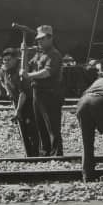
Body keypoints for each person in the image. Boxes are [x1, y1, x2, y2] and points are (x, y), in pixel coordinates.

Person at [24, 25, 64, 156]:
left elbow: (47, 72)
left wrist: (29, 76)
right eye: (38, 39)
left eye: (42, 39)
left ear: (50, 38)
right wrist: (23, 52)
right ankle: (46, 152)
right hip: (38, 93)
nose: (39, 42)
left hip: (50, 93)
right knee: (40, 124)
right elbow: (28, 65)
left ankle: (56, 154)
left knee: (52, 126)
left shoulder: (54, 55)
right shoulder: (39, 54)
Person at [1, 47, 39, 156]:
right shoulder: (3, 69)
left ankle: (35, 154)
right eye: (4, 60)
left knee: (30, 127)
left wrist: (18, 110)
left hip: (28, 101)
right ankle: (28, 153)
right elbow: (3, 82)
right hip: (17, 99)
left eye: (8, 60)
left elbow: (23, 93)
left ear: (15, 59)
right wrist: (8, 91)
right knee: (22, 128)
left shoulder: (20, 72)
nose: (6, 62)